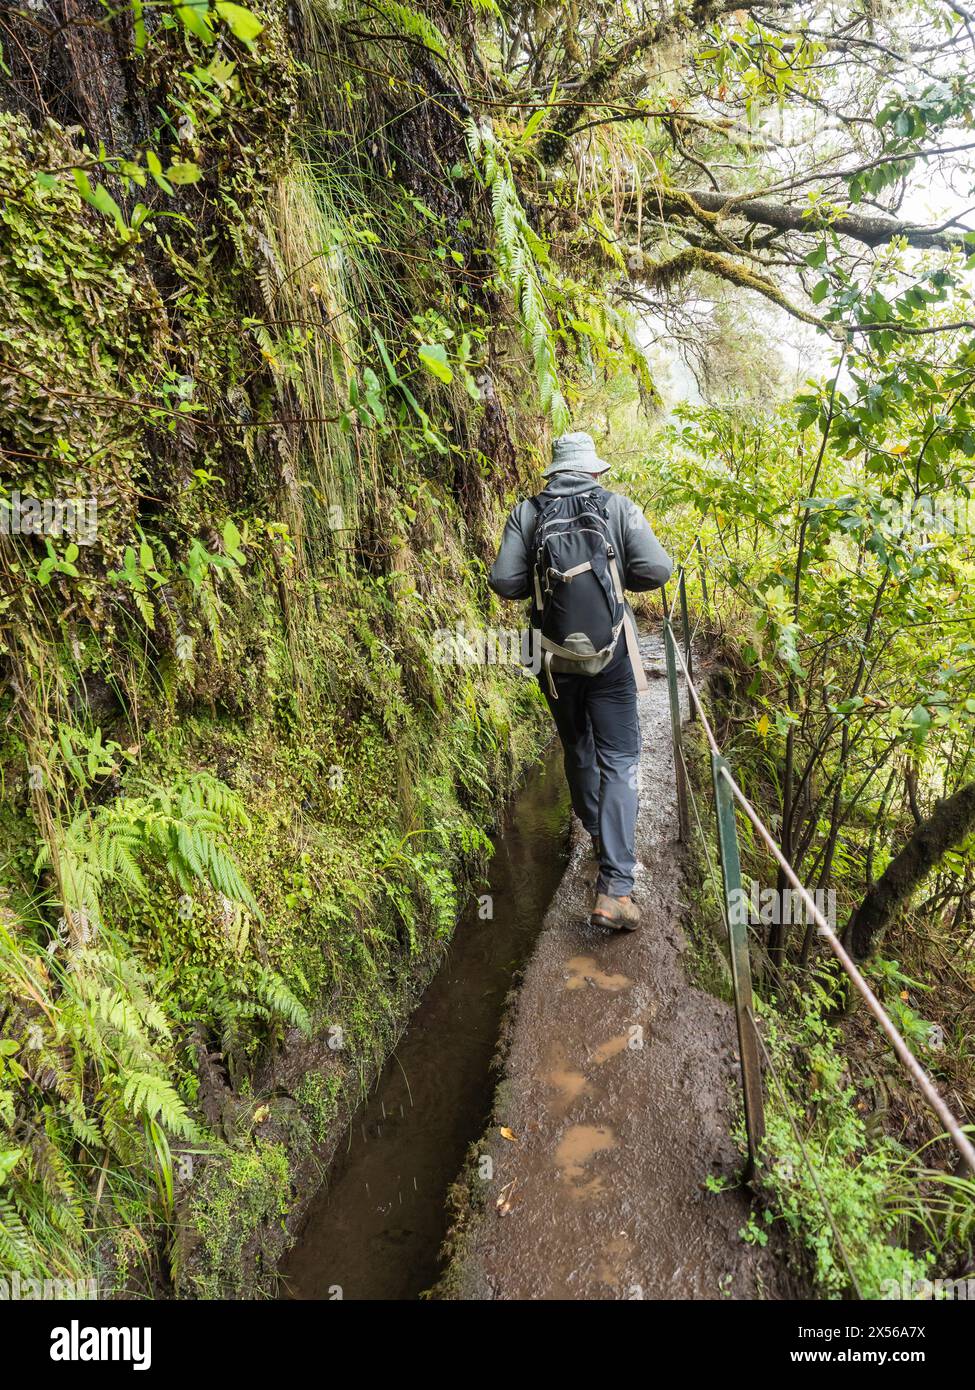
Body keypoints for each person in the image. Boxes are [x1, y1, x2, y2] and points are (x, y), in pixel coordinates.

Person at [488, 431, 672, 931]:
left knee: (576, 746)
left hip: (551, 660)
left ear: (554, 471)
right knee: (620, 758)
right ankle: (615, 889)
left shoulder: (527, 513)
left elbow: (503, 582)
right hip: (611, 656)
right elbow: (657, 568)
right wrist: (613, 576)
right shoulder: (617, 506)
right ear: (594, 470)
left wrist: (545, 582)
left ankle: (595, 831)